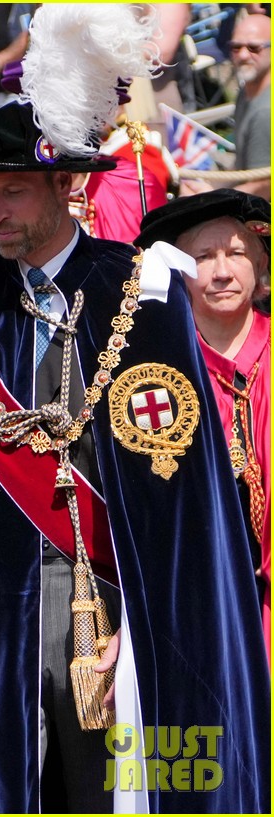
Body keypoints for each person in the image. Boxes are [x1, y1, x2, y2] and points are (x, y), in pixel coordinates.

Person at [0, 6, 269, 811]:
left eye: (13, 190)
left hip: (113, 611)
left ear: (66, 182)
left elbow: (181, 497)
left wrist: (147, 626)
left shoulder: (141, 294)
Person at [135, 189, 271, 656]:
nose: (222, 272)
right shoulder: (158, 371)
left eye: (236, 254)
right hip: (194, 603)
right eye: (204, 257)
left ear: (258, 267)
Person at [229, 12, 271, 197]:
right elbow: (241, 169)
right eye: (236, 47)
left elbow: (264, 186)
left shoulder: (266, 111)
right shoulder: (245, 94)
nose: (244, 55)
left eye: (254, 48)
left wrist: (210, 199)